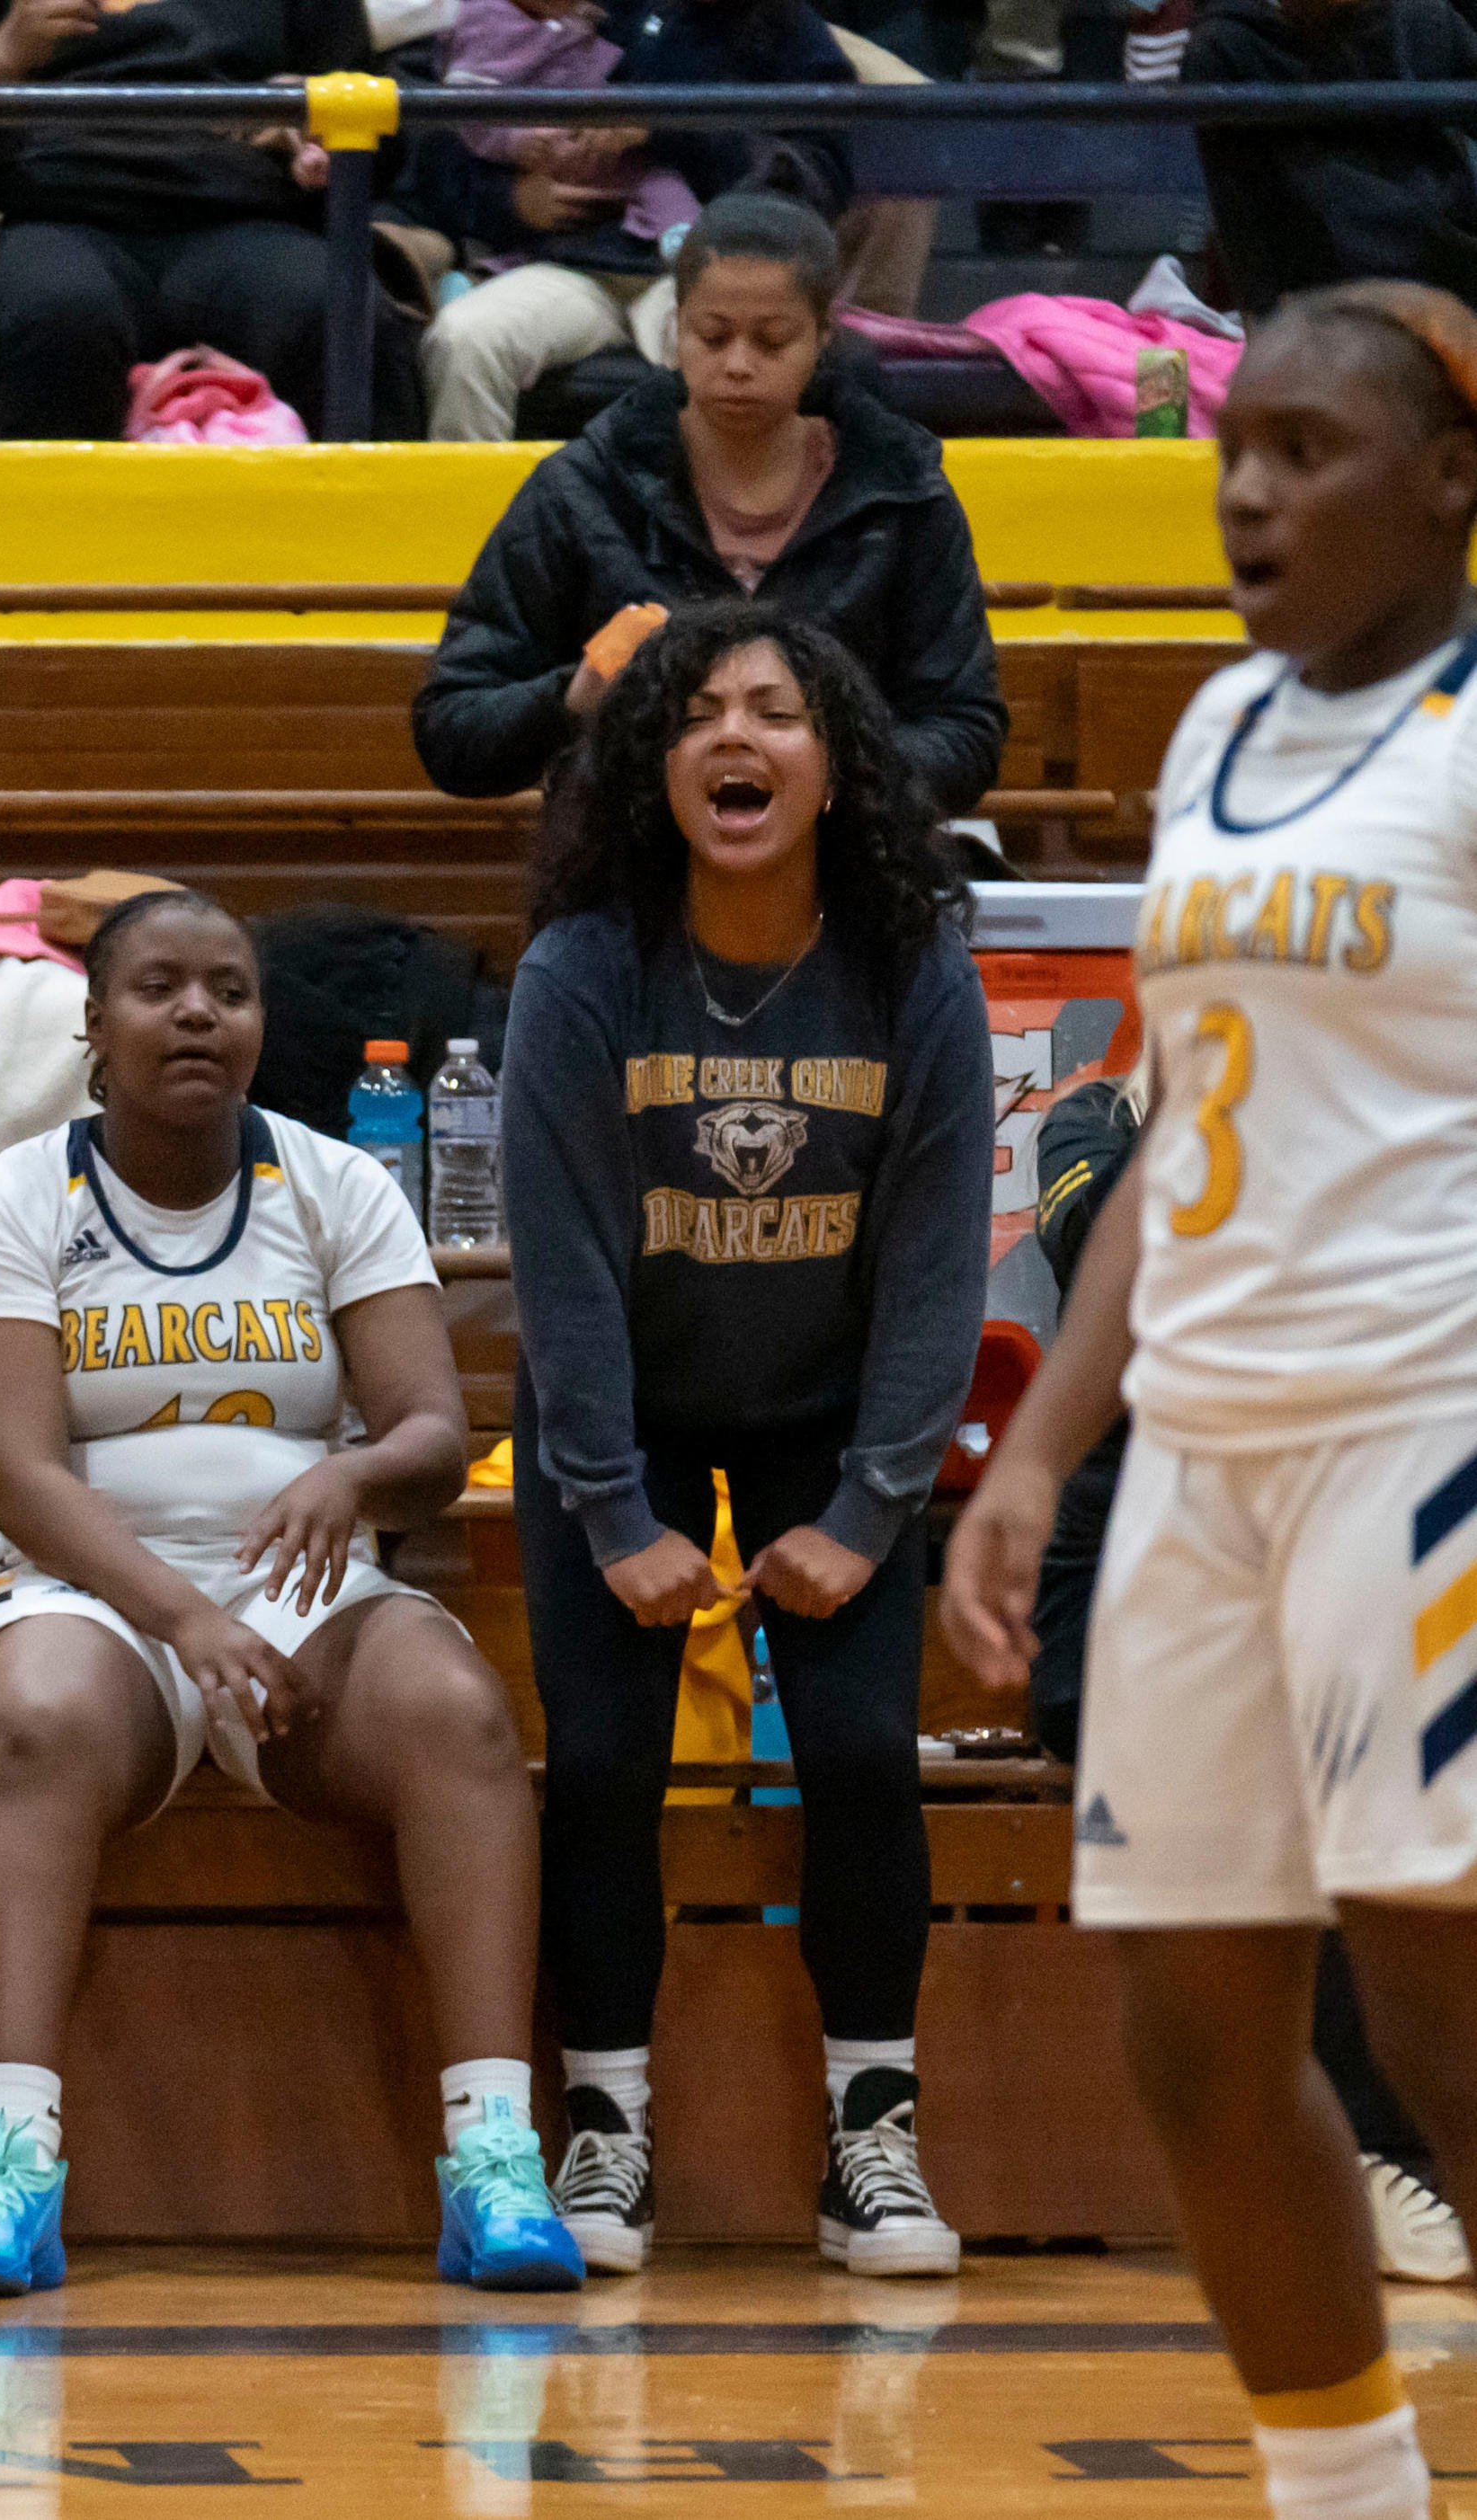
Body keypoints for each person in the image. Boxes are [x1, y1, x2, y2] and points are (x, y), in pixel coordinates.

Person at [945, 280, 1477, 2520]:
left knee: (1446, 2024)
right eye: (1226, 447)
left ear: (1447, 480)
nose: (1243, 491)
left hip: (1420, 1419)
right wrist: (1047, 1443)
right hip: (1195, 1446)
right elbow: (1170, 1126)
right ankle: (1338, 2495)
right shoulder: (1209, 730)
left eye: (1304, 449)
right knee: (1186, 2029)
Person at [0, 887, 580, 2300]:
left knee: (462, 1719)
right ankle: (10, 2167)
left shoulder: (335, 1185)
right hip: (78, 1594)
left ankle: (494, 2159)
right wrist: (182, 1616)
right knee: (33, 1721)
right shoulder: (15, 1199)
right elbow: (16, 1475)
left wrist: (349, 1484)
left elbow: (425, 1433)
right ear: (94, 1026)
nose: (199, 1012)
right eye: (158, 988)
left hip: (301, 1599)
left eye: (228, 987)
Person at [502, 599, 988, 2281]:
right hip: (611, 1419)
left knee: (859, 1754)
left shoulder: (914, 967)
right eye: (697, 711)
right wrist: (614, 1511)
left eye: (775, 711)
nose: (735, 736)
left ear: (839, 767)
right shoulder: (583, 969)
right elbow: (557, 1269)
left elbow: (936, 1266)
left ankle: (874, 2133)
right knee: (610, 1758)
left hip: (828, 1417)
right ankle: (606, 2119)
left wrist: (866, 1506)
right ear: (652, 766)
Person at [1025, 1074, 1473, 2292]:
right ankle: (1373, 2152)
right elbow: (1155, 1273)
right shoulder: (1085, 1127)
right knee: (1308, 1764)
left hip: (1348, 1541)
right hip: (1127, 1577)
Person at [412, 194, 1006, 817]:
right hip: (625, 881)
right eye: (712, 336)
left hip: (848, 878)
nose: (739, 365)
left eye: (773, 341)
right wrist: (574, 695)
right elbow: (453, 733)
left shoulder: (901, 492)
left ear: (823, 337)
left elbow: (965, 733)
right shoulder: (584, 487)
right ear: (675, 326)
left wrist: (816, 772)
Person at [0, 0, 425, 439]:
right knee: (60, 314)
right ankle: (50, 550)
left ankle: (360, 553)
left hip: (245, 218)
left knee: (339, 307)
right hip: (49, 216)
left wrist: (316, 125)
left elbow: (381, 133)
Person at [404, 0, 851, 443]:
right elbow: (451, 139)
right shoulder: (585, 6)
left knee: (729, 359)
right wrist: (508, 199)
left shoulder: (790, 29)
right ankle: (482, 516)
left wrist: (665, 127)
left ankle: (711, 514)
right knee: (464, 339)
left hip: (709, 275)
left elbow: (816, 181)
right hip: (571, 264)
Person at [1184, 0, 1477, 323]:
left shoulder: (1424, 20)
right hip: (1327, 316)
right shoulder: (1227, 46)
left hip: (1450, 295)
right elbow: (1245, 237)